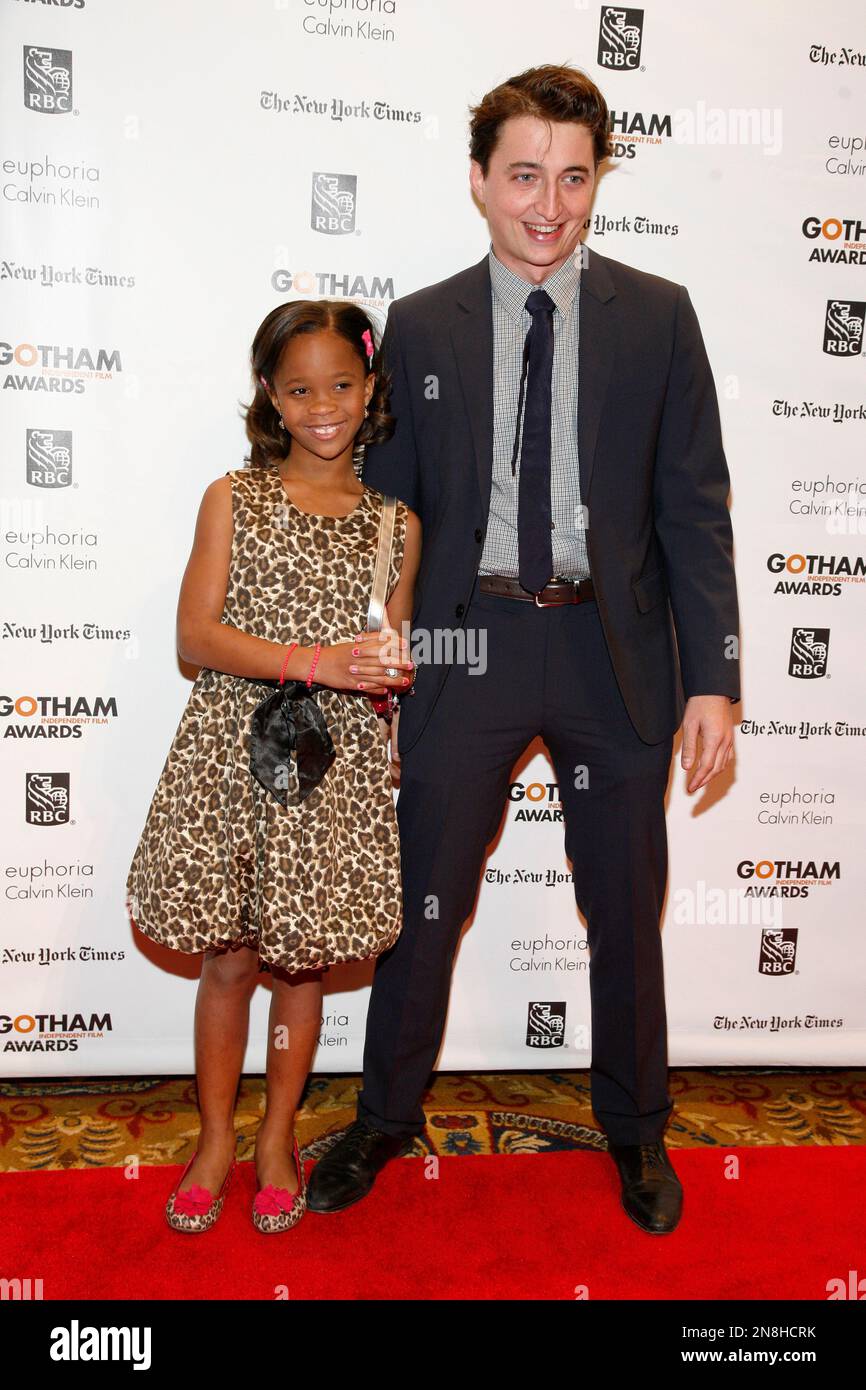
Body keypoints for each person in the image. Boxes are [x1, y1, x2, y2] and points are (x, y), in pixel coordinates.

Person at [307, 64, 740, 1235]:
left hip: (611, 648)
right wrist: (374, 662)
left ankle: (637, 1132)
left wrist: (714, 676)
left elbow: (693, 505)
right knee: (426, 902)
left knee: (622, 904)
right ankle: (384, 1119)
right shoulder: (422, 319)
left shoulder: (658, 315)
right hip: (470, 642)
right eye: (521, 177)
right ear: (477, 181)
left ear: (596, 181)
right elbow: (392, 515)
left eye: (571, 177)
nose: (546, 204)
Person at [126, 299, 420, 1234]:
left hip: (332, 777)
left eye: (341, 384)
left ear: (369, 387)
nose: (322, 405)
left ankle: (276, 1138)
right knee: (228, 962)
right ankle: (215, 1138)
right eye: (300, 388)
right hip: (229, 759)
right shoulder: (234, 496)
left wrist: (387, 678)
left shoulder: (395, 526)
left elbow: (385, 651)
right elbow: (194, 635)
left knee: (301, 971)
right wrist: (313, 662)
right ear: (270, 396)